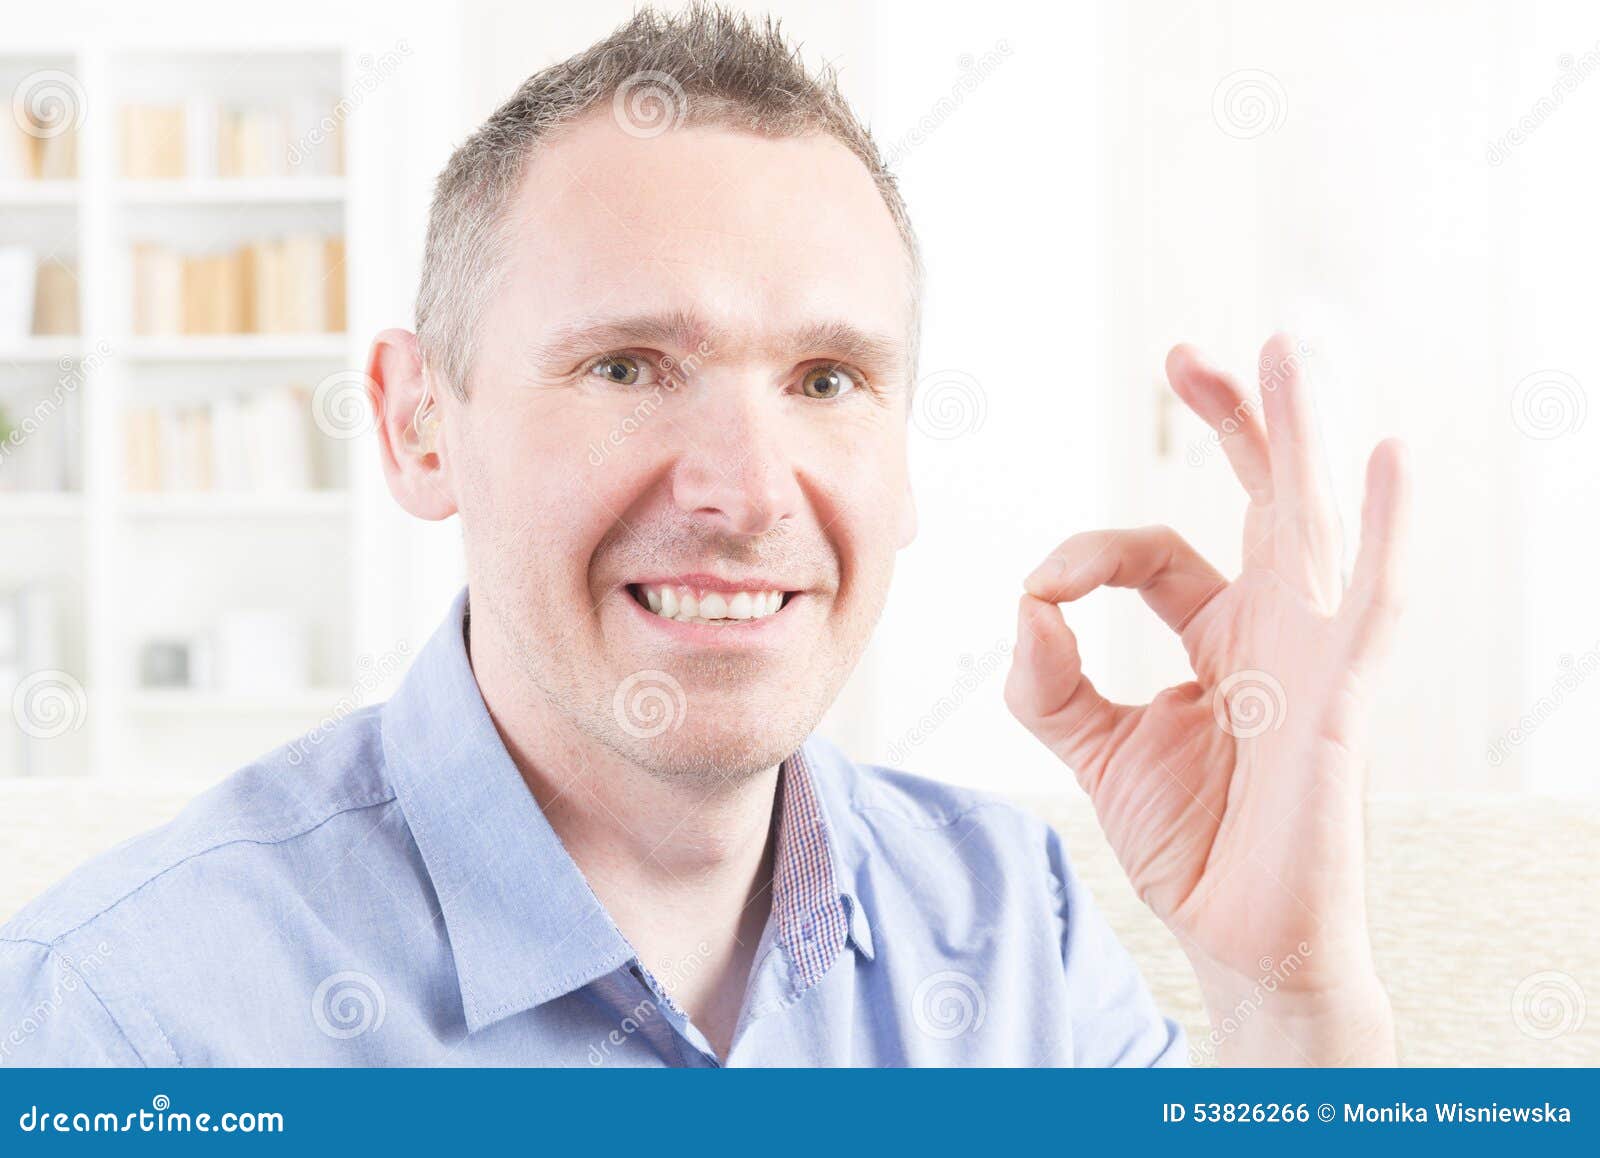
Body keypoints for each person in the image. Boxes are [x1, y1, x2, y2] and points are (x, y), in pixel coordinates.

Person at [0, 5, 1407, 1066]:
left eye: (826, 381)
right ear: (421, 426)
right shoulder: (128, 1013)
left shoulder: (1011, 936)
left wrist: (1288, 995)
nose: (746, 490)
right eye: (628, 366)